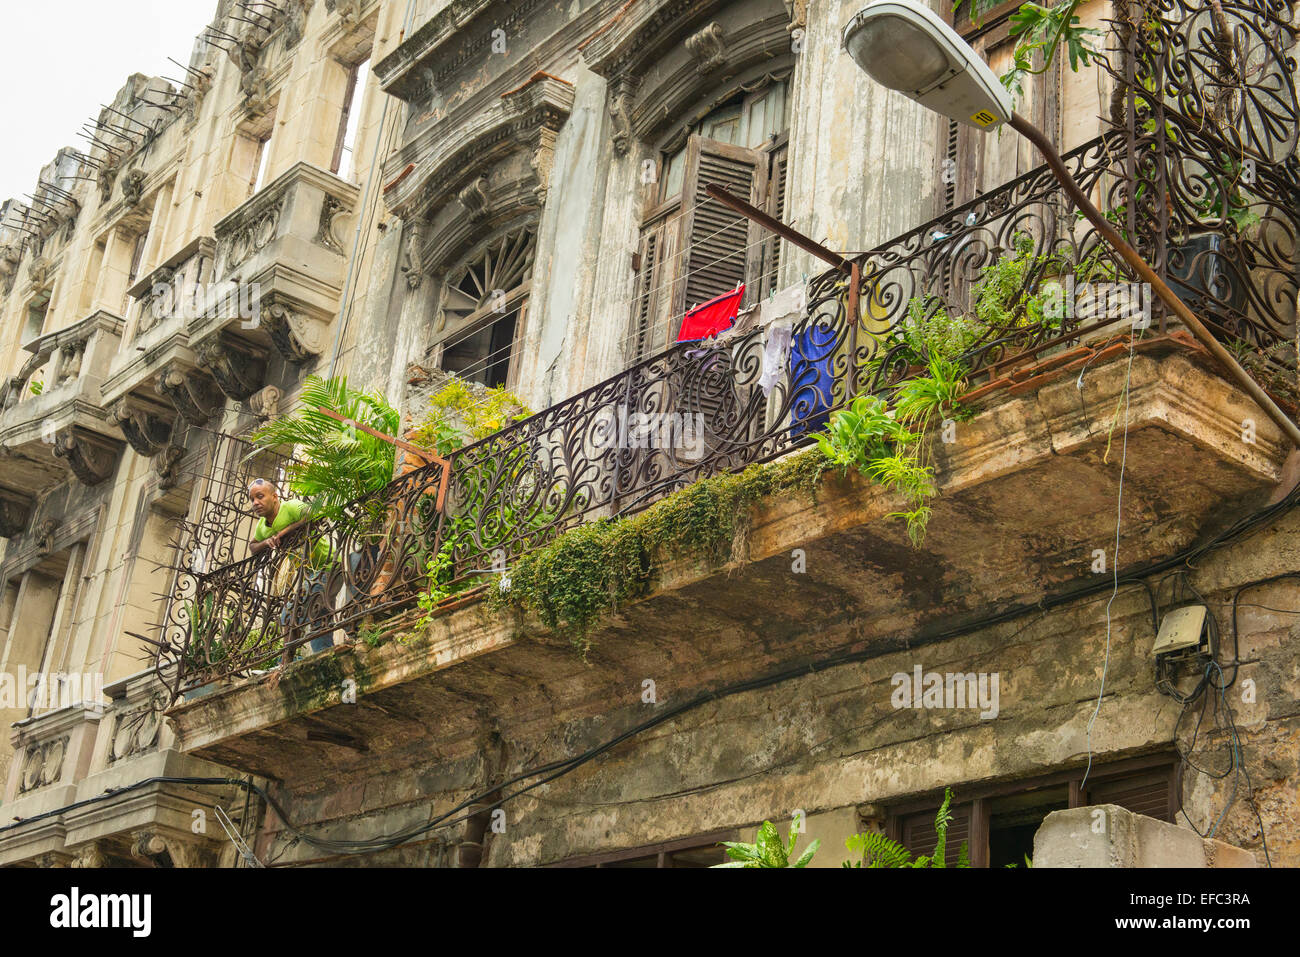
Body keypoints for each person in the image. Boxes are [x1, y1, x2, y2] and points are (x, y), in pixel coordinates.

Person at [247, 479, 336, 659]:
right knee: (319, 616)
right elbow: (253, 546)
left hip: (330, 564)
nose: (255, 502)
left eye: (260, 496)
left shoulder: (291, 507)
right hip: (311, 573)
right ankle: (326, 657)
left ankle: (285, 664)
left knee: (290, 613)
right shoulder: (262, 526)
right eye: (252, 499)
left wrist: (283, 533)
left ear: (274, 497)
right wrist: (266, 541)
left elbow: (316, 514)